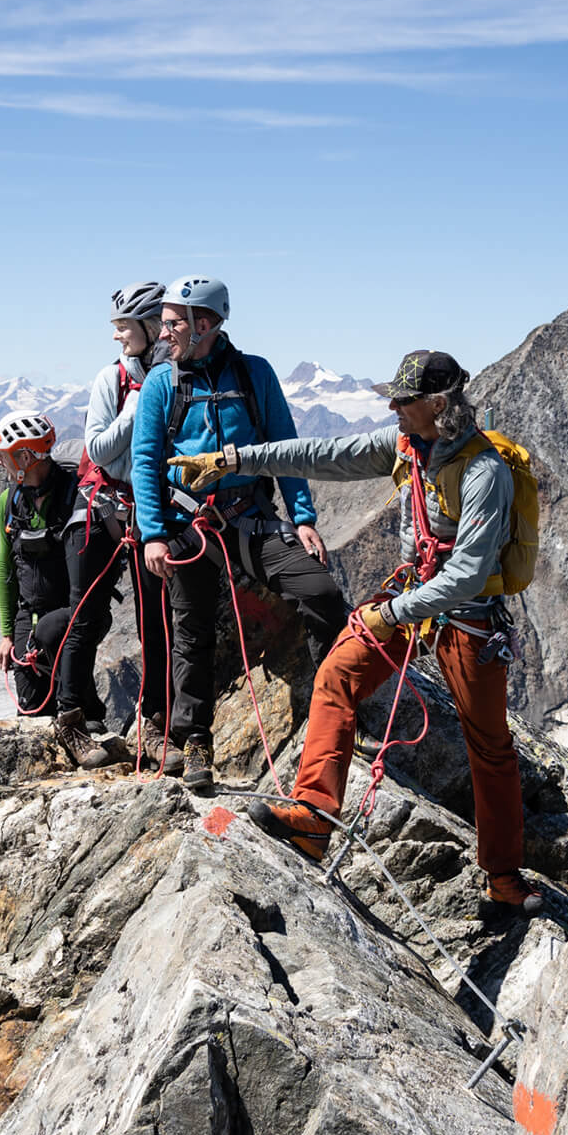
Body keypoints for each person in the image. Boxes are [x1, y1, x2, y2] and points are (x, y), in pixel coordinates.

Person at [168, 349, 542, 910]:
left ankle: (504, 880)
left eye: (402, 400)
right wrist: (236, 459)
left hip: (465, 616)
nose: (391, 407)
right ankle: (313, 816)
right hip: (416, 596)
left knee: (489, 748)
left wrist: (390, 614)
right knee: (338, 674)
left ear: (437, 404)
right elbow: (324, 455)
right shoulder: (407, 447)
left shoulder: (485, 472)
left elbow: (466, 576)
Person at [131, 274, 348, 793]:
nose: (164, 334)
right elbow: (145, 461)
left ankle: (333, 711)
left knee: (320, 592)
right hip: (190, 526)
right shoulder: (162, 383)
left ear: (203, 325)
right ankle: (195, 741)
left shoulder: (254, 375)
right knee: (192, 633)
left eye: (173, 323)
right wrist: (154, 534)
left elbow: (285, 448)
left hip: (250, 520)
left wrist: (303, 518)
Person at [0, 412, 122, 769]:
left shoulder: (74, 496)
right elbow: (6, 570)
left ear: (26, 457)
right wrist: (7, 635)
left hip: (76, 613)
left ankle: (80, 714)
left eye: (3, 454)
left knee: (53, 630)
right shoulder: (9, 501)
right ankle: (85, 711)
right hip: (27, 616)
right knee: (32, 713)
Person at [83, 281, 177, 771]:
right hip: (118, 511)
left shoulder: (176, 375)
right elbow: (99, 451)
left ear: (149, 327)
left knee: (160, 616)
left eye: (123, 327)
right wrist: (137, 408)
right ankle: (84, 714)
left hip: (155, 511)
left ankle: (161, 718)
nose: (118, 336)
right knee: (115, 615)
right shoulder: (112, 380)